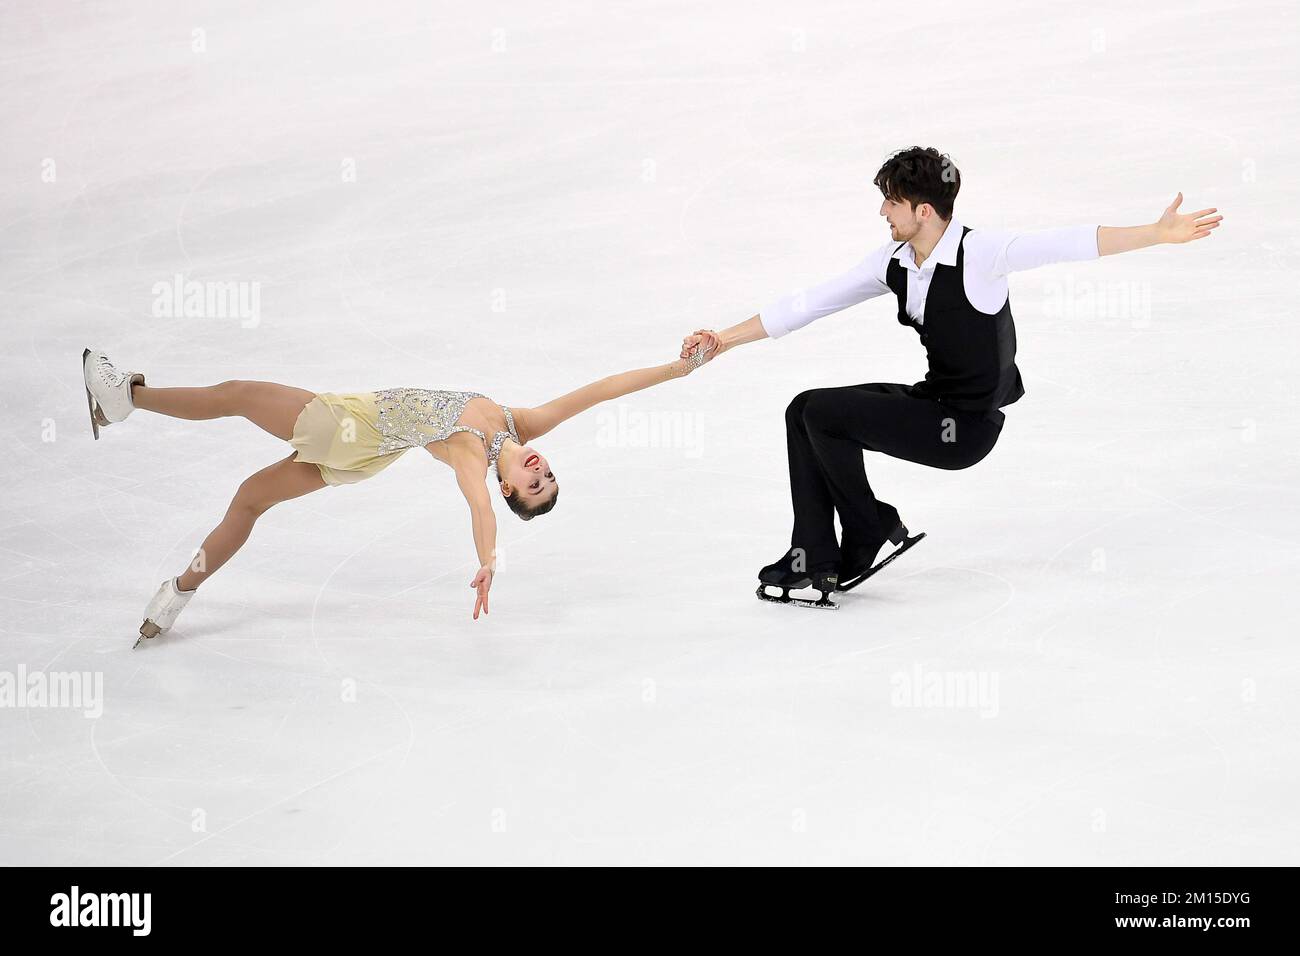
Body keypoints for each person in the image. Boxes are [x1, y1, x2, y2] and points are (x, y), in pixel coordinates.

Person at [681, 146, 1222, 608]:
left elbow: (1069, 242)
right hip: (933, 403)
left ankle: (867, 527)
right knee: (803, 411)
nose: (882, 211)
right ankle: (815, 553)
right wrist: (723, 339)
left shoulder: (981, 254)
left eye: (890, 201)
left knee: (821, 412)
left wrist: (1157, 233)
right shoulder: (894, 259)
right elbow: (810, 303)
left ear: (922, 209)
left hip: (964, 428)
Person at [81, 344, 712, 644]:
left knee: (239, 393)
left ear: (507, 483)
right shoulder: (520, 424)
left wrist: (488, 562)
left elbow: (478, 508)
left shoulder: (473, 449)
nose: (540, 473)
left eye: (532, 486)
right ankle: (173, 599)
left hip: (351, 427)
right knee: (249, 501)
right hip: (361, 455)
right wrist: (676, 370)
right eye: (548, 478)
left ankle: (126, 397)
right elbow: (602, 389)